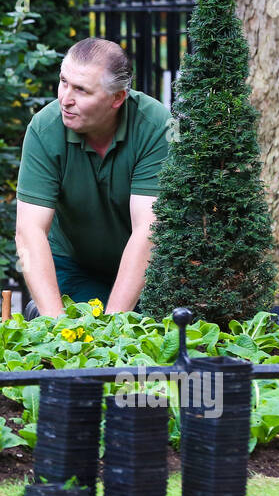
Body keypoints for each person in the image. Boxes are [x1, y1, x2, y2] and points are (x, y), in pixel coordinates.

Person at [14, 37, 171, 319]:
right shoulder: (44, 128)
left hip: (147, 266)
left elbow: (149, 231)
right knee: (80, 330)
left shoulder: (155, 125)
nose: (65, 99)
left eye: (82, 90)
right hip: (74, 263)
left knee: (147, 338)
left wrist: (115, 325)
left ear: (117, 98)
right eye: (63, 82)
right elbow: (29, 231)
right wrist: (54, 323)